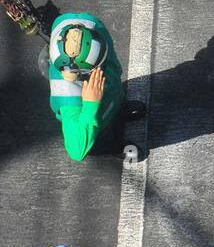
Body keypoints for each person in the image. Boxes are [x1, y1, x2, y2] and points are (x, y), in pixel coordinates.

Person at [46, 11, 145, 163]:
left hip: (110, 91)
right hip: (87, 110)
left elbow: (111, 61)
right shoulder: (68, 98)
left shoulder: (89, 24)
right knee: (99, 138)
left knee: (113, 96)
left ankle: (117, 109)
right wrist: (91, 105)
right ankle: (111, 146)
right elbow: (76, 151)